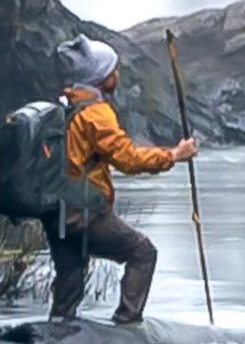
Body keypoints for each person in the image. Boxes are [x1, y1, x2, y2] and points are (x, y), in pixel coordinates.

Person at [38, 40, 187, 328]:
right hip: (83, 214)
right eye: (112, 69)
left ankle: (57, 331)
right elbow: (128, 159)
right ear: (100, 76)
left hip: (56, 214)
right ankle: (127, 324)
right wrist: (174, 155)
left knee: (71, 275)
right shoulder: (96, 114)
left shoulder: (64, 107)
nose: (117, 73)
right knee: (142, 253)